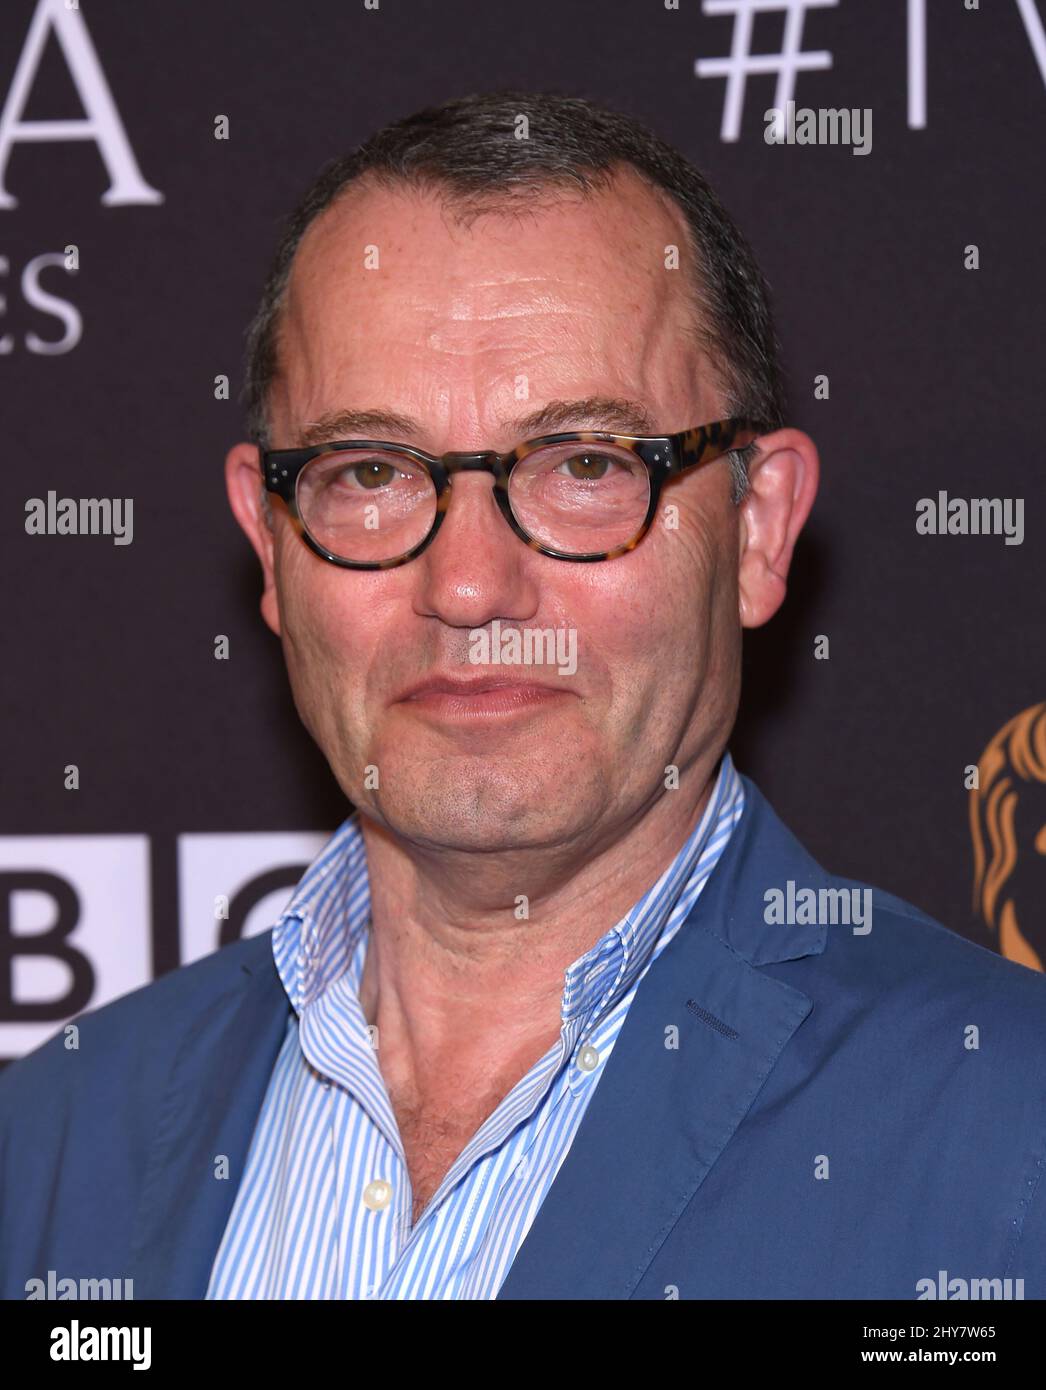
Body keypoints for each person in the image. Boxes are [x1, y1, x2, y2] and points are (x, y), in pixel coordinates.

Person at [3, 90, 1045, 1302]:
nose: (466, 582)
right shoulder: (51, 1145)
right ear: (269, 537)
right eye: (373, 472)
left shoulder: (1005, 1133)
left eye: (584, 465)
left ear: (757, 529)